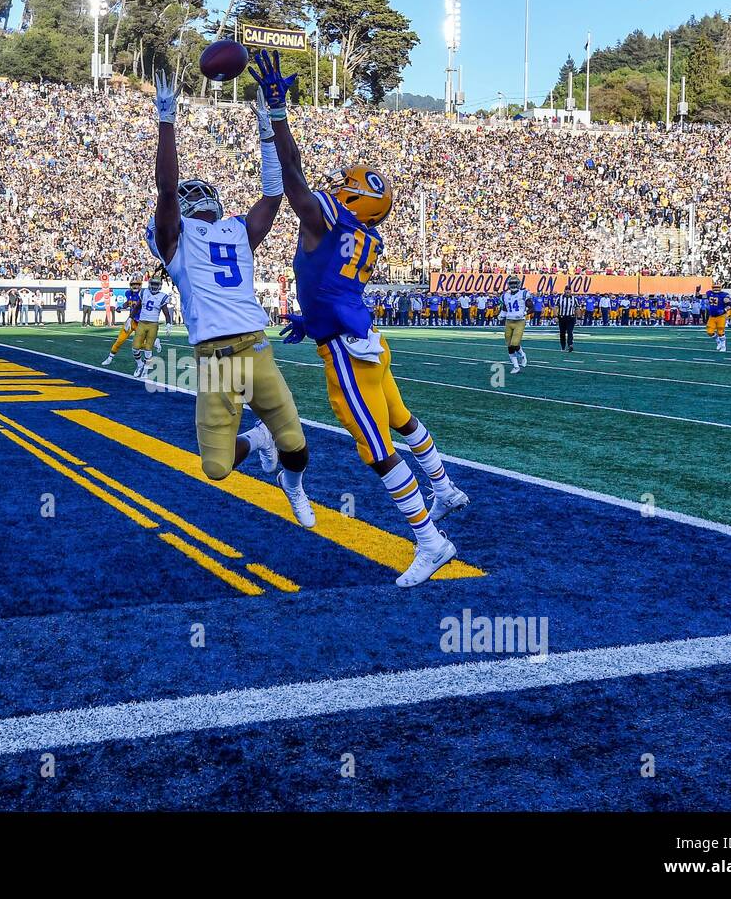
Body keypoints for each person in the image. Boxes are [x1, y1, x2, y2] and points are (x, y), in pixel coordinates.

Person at [250, 50, 467, 585]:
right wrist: (311, 318)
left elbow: (294, 179)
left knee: (374, 448)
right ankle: (444, 488)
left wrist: (277, 116)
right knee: (400, 418)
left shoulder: (329, 220)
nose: (337, 182)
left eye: (347, 182)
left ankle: (430, 541)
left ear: (356, 199)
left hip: (348, 348)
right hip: (367, 339)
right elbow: (332, 284)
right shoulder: (368, 236)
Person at [147, 67, 313, 525]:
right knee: (216, 468)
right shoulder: (176, 241)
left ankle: (292, 483)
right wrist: (166, 120)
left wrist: (265, 135)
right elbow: (166, 189)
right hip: (215, 361)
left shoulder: (235, 230)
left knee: (297, 447)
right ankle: (257, 441)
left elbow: (275, 197)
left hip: (253, 348)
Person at [132, 276, 171, 378]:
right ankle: (140, 365)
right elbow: (137, 307)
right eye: (153, 284)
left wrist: (168, 324)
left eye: (156, 284)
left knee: (148, 350)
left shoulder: (162, 296)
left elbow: (166, 313)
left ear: (160, 286)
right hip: (141, 323)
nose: (154, 286)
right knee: (135, 348)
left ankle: (146, 369)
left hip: (153, 324)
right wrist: (130, 318)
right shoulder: (144, 292)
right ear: (149, 284)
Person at [501, 275, 532, 373]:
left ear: (518, 284)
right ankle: (516, 366)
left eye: (515, 283)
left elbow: (532, 307)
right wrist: (501, 315)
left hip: (519, 321)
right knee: (509, 345)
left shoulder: (523, 294)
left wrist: (524, 313)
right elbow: (505, 308)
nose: (513, 285)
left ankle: (522, 355)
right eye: (511, 283)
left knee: (514, 344)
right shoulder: (505, 295)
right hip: (509, 321)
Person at [556, 286, 578, 352]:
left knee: (570, 331)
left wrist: (578, 317)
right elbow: (556, 307)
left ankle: (570, 345)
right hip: (562, 317)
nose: (568, 291)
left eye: (569, 290)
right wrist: (555, 316)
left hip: (571, 317)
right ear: (564, 291)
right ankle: (563, 346)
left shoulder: (574, 299)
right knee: (562, 333)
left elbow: (577, 308)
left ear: (571, 291)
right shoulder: (559, 298)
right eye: (566, 290)